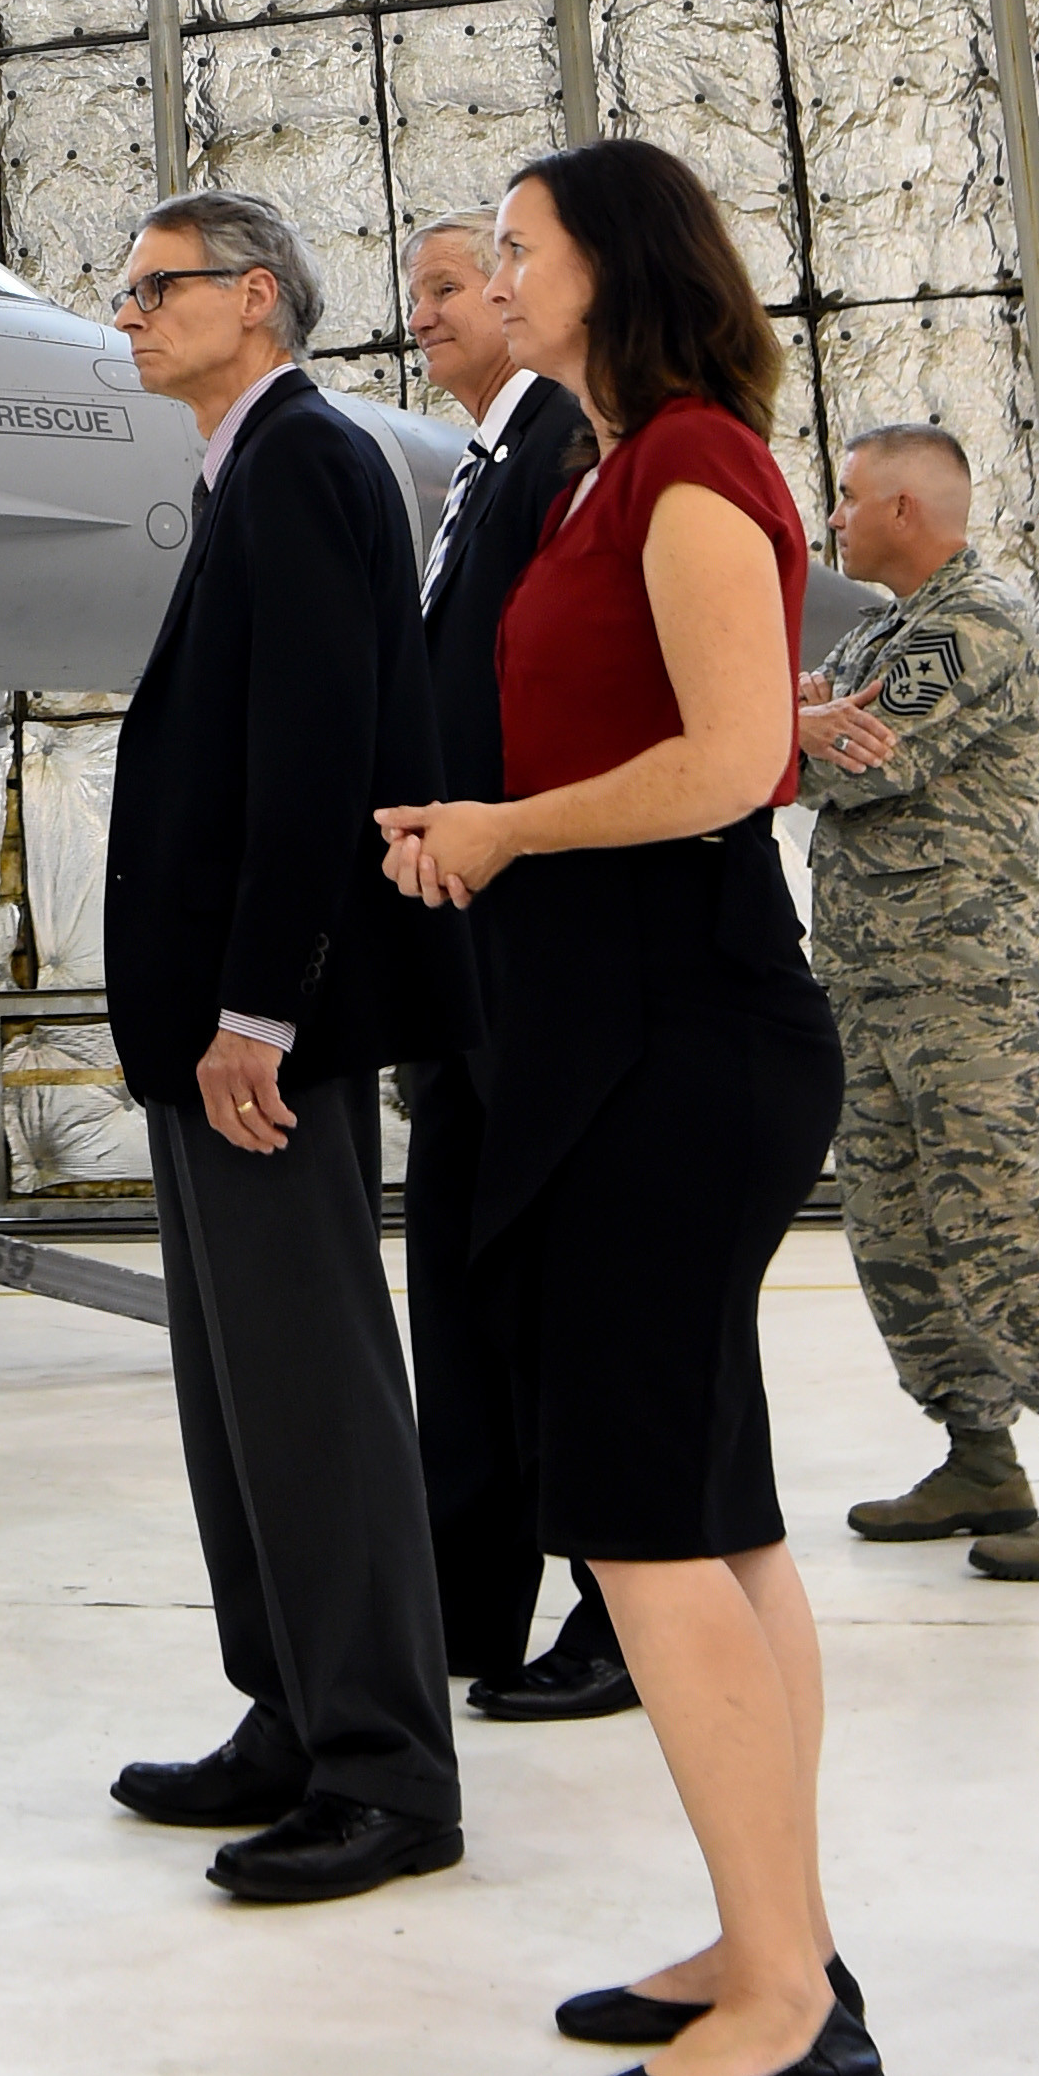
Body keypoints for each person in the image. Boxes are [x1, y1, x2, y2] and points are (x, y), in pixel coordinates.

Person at [379, 144, 880, 2076]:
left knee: (647, 1527)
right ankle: (774, 1936)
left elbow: (727, 757)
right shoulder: (606, 470)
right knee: (720, 1517)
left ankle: (782, 1996)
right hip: (625, 1031)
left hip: (681, 1039)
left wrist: (498, 832)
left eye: (518, 247)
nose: (491, 273)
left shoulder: (689, 466)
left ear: (608, 267)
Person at [101, 187, 477, 1906]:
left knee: (313, 1391)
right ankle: (287, 1708)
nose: (126, 315)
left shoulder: (309, 463)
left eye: (154, 289)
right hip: (208, 1033)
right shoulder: (244, 470)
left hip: (264, 1029)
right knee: (236, 1391)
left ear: (256, 299)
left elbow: (314, 754)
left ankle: (383, 1764)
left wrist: (260, 1002)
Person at [803, 425, 1039, 1579]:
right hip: (873, 980)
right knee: (894, 1224)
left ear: (906, 510)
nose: (834, 518)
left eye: (850, 498)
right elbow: (815, 721)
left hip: (962, 986)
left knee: (1004, 1215)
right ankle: (979, 1455)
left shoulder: (974, 626)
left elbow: (848, 759)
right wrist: (795, 714)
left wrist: (768, 730)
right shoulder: (879, 629)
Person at [396, 214, 634, 1722]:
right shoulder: (480, 465)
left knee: (564, 1289)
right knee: (464, 1280)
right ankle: (471, 1594)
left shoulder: (561, 448)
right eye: (414, 290)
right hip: (462, 933)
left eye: (453, 282)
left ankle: (617, 1602)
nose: (426, 310)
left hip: (535, 924)